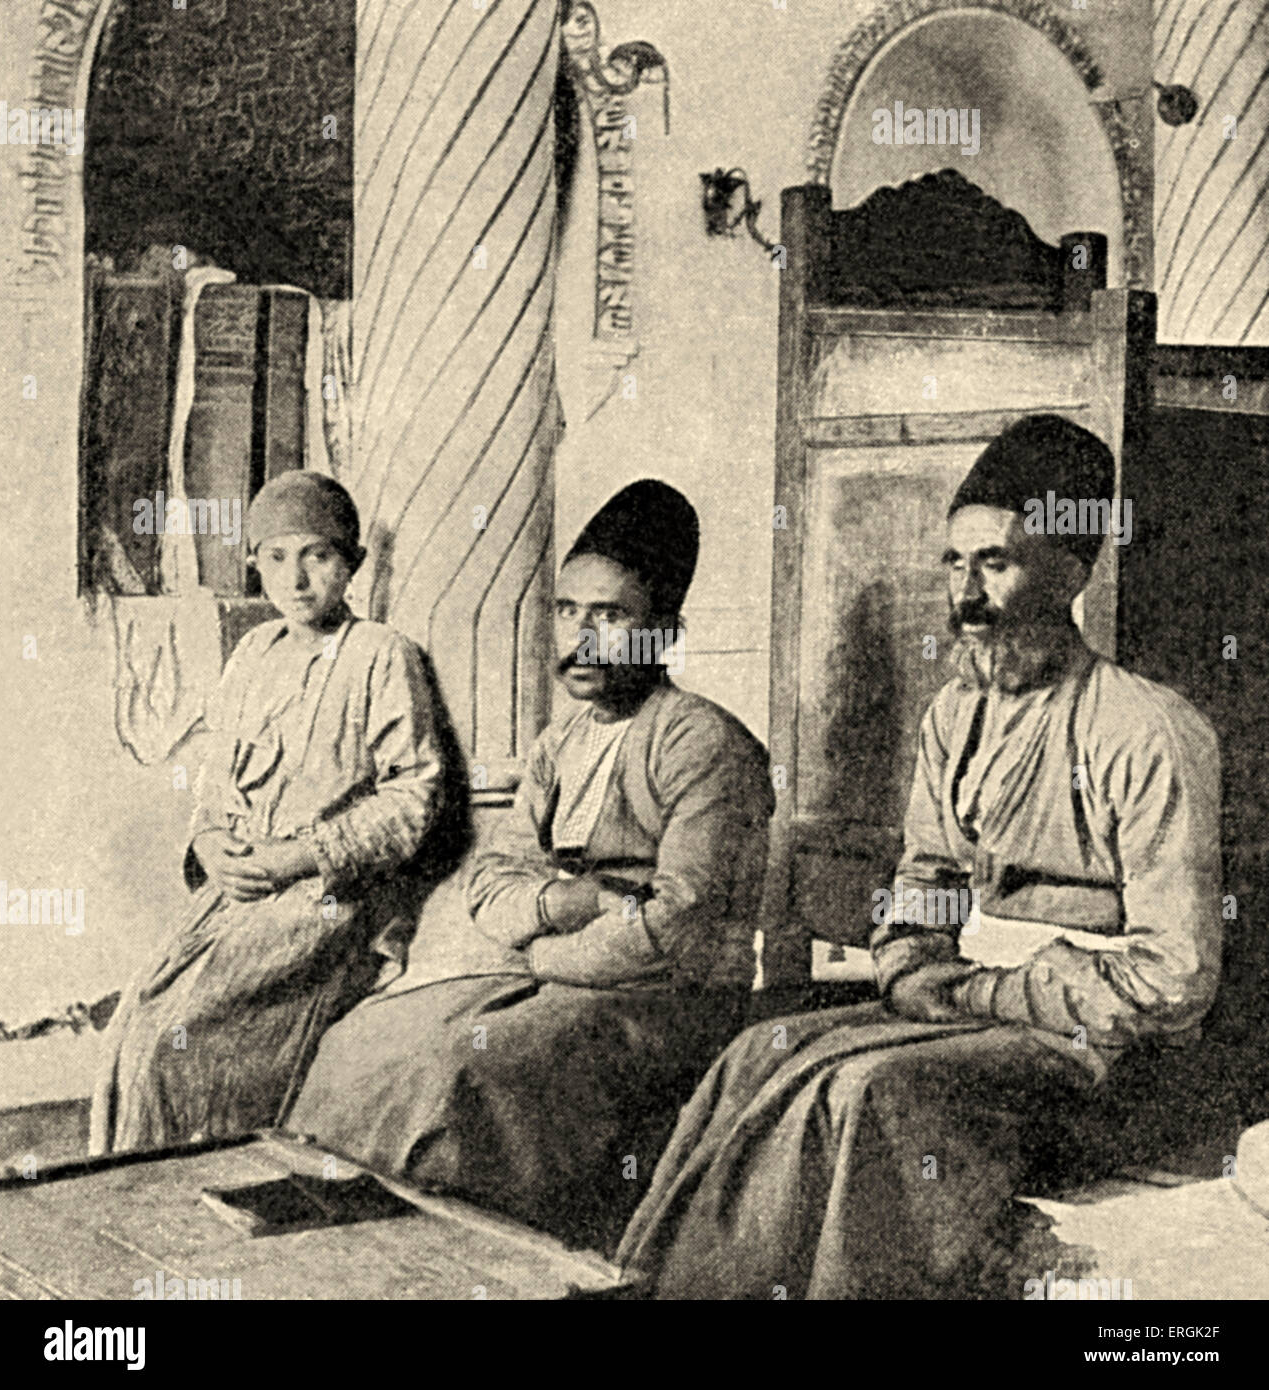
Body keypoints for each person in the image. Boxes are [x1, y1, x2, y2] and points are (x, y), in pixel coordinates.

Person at [617, 415, 1223, 1299]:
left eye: (995, 563)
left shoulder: (1148, 730)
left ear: (1068, 573)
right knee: (760, 1051)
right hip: (969, 1003)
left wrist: (988, 991)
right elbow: (927, 882)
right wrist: (909, 963)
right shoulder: (953, 716)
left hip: (1100, 1052)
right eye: (953, 562)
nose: (964, 595)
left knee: (868, 1090)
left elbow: (1176, 977)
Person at [288, 480, 775, 1249]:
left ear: (664, 632)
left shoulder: (705, 746)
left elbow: (676, 925)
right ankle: (344, 1265)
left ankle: (462, 1272)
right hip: (554, 974)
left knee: (459, 1074)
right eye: (566, 611)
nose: (579, 638)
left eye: (609, 616)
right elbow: (495, 880)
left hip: (663, 1005)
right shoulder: (561, 743)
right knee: (362, 1041)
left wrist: (544, 945)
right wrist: (559, 907)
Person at [91, 472, 448, 1154]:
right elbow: (216, 778)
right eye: (277, 557)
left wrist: (298, 857)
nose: (298, 578)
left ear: (352, 564)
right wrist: (209, 842)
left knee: (175, 1045)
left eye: (318, 555)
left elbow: (412, 800)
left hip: (326, 899)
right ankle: (130, 1201)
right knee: (133, 1024)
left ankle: (199, 1193)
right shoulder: (255, 651)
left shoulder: (382, 655)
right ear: (255, 563)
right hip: (241, 890)